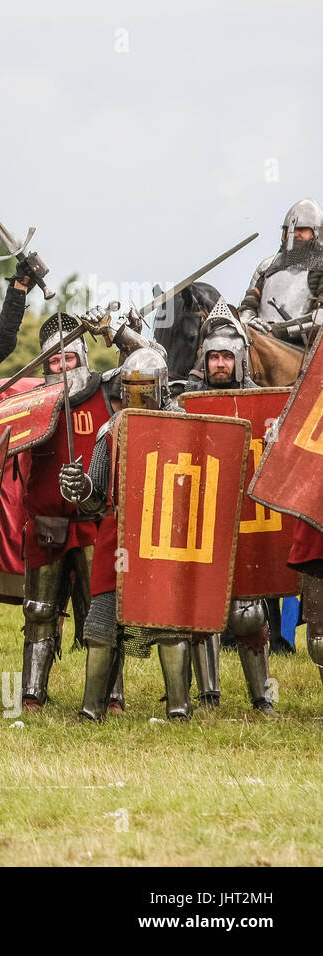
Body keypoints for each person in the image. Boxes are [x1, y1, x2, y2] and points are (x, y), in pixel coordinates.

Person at [60, 347, 195, 720]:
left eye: (145, 387)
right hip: (118, 535)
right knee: (101, 624)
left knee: (168, 623)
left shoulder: (182, 424)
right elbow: (97, 500)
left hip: (165, 533)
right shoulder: (111, 429)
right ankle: (92, 708)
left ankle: (179, 706)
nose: (137, 395)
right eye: (131, 387)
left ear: (162, 387)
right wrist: (81, 488)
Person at [179, 300, 275, 715]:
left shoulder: (263, 403)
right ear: (205, 359)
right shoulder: (186, 401)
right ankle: (208, 697)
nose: (219, 364)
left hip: (248, 519)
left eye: (226, 357)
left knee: (249, 613)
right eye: (213, 356)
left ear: (239, 360)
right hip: (202, 518)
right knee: (203, 609)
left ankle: (262, 698)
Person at [16, 314, 114, 711]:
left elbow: (152, 362)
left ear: (82, 359)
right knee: (39, 612)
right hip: (47, 524)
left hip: (94, 523)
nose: (62, 367)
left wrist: (118, 329)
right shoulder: (31, 403)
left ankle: (110, 696)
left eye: (68, 360)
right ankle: (33, 693)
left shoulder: (107, 391)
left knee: (101, 612)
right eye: (54, 362)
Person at [238, 198, 323, 339]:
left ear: (316, 233)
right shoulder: (267, 266)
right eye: (290, 230)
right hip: (260, 342)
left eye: (302, 230)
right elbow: (248, 306)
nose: (295, 235)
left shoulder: (320, 266)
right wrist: (248, 321)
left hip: (303, 348)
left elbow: (320, 318)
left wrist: (278, 331)